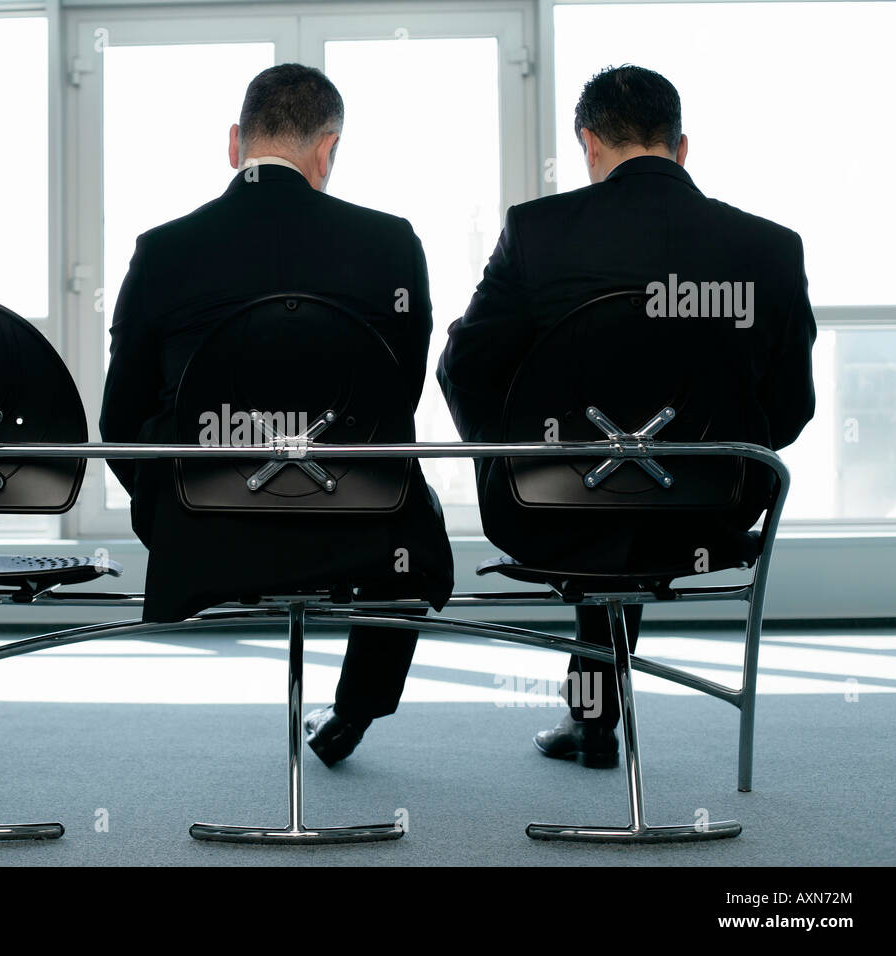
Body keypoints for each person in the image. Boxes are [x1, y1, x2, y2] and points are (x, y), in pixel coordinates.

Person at [437, 64, 816, 767]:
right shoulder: (769, 247)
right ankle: (595, 717)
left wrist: (517, 457)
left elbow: (462, 367)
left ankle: (595, 719)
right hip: (709, 509)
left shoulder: (537, 232)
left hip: (552, 506)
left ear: (588, 142)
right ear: (682, 147)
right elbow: (792, 409)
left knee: (598, 495)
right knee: (635, 494)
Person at [99, 64, 453, 766]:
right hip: (363, 523)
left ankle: (341, 701)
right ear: (328, 152)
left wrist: (173, 498)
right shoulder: (390, 243)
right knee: (415, 511)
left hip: (202, 522)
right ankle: (354, 711)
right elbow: (395, 400)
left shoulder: (165, 249)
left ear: (235, 143)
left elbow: (120, 416)